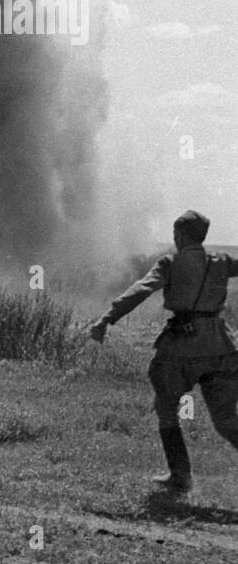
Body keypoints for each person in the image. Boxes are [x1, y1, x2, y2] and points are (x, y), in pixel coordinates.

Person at [90, 210, 238, 492]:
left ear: (179, 235)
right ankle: (179, 477)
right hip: (221, 347)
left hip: (181, 348)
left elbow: (141, 289)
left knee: (167, 408)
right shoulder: (222, 261)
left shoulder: (171, 262)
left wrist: (108, 318)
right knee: (227, 421)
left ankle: (180, 476)